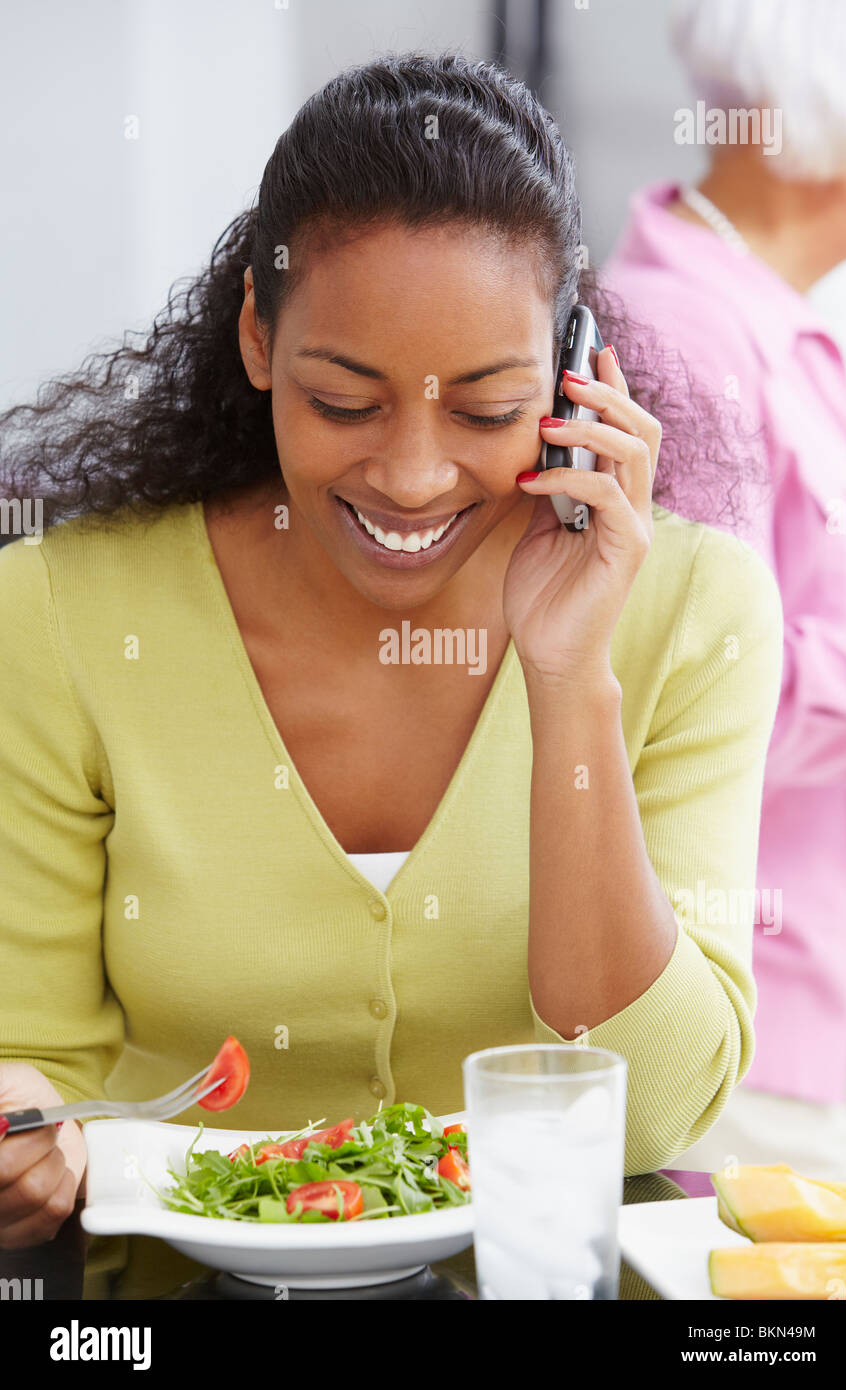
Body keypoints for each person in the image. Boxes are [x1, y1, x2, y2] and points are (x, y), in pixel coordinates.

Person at [0, 51, 782, 1248]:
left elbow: (652, 1111)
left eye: (483, 408)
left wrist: (570, 680)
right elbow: (36, 1063)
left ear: (572, 370)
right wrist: (25, 1138)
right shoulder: (59, 609)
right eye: (344, 402)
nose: (411, 476)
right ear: (258, 337)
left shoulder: (693, 606)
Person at [603, 0, 846, 1179]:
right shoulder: (683, 336)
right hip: (746, 1034)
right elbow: (705, 681)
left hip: (818, 1009)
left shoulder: (771, 323)